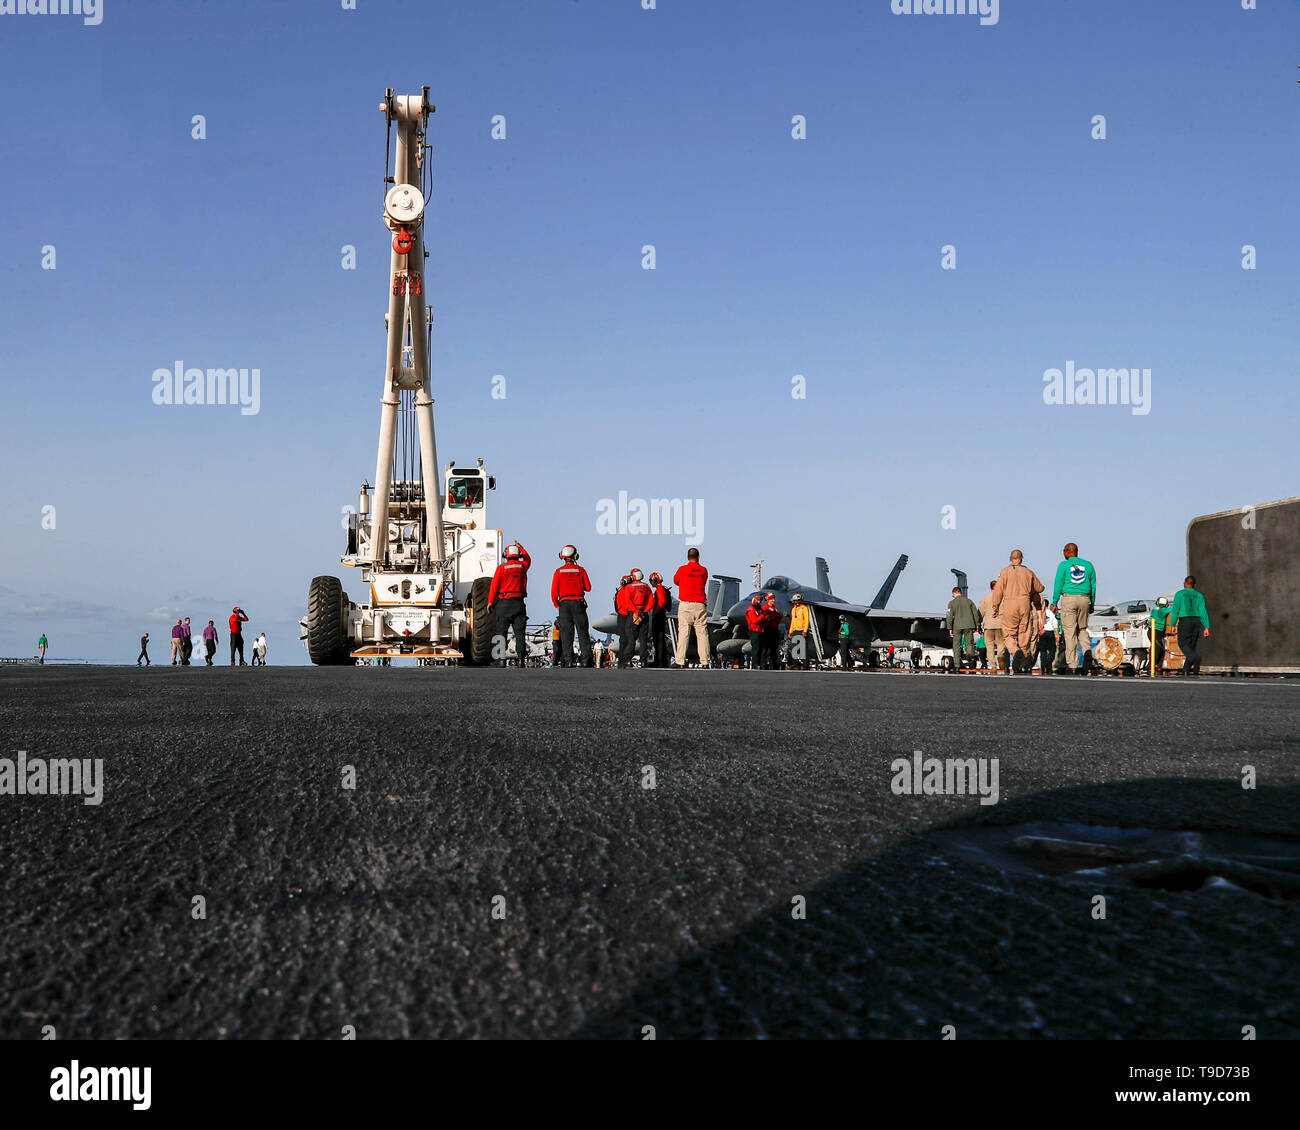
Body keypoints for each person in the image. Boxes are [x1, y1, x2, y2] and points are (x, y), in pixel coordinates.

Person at [991, 550, 1046, 673]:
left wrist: (995, 607)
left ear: (1011, 559)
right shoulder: (1028, 572)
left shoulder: (1004, 572)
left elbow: (998, 592)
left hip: (1010, 603)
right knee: (1024, 632)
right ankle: (1024, 662)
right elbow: (1040, 588)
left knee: (1008, 633)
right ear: (1022, 558)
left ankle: (1016, 652)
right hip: (1024, 603)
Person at [1050, 543, 1096, 675]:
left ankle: (1073, 664)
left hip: (1069, 599)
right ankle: (1087, 652)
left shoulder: (1063, 565)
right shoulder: (1088, 565)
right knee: (1082, 629)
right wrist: (1092, 602)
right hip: (1084, 598)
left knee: (1069, 633)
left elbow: (1058, 584)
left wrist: (1054, 602)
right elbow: (1093, 585)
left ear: (1067, 552)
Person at [488, 541, 531, 668]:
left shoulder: (501, 568)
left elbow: (494, 586)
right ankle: (521, 660)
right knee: (520, 634)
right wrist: (521, 548)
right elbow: (528, 558)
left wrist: (490, 602)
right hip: (519, 604)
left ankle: (500, 660)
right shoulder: (523, 566)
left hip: (504, 604)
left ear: (506, 555)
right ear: (517, 555)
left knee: (501, 632)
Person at [551, 545, 593, 667]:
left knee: (566, 634)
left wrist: (556, 604)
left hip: (564, 605)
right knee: (583, 633)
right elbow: (588, 588)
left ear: (562, 556)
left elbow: (554, 591)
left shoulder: (558, 572)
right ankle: (586, 661)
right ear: (575, 556)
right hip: (578, 604)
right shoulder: (581, 570)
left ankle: (568, 661)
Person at [673, 548, 712, 667]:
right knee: (702, 633)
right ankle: (705, 661)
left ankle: (680, 661)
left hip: (686, 604)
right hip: (700, 604)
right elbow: (704, 581)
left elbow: (676, 581)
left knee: (684, 633)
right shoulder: (703, 570)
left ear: (688, 557)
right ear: (698, 557)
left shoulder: (682, 569)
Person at [1169, 576, 1211, 677]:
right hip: (1196, 621)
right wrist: (1206, 627)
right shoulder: (1199, 595)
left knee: (1182, 643)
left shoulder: (1180, 594)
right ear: (1194, 584)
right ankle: (1186, 670)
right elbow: (1203, 611)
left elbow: (1175, 610)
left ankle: (1194, 658)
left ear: (1185, 583)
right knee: (1192, 645)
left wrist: (1173, 624)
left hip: (1185, 620)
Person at [621, 570, 653, 667]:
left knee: (631, 638)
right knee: (643, 639)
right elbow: (651, 600)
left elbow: (628, 602)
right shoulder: (647, 586)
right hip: (644, 614)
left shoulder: (629, 587)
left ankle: (627, 659)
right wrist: (644, 611)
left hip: (633, 615)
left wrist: (636, 611)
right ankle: (643, 660)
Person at [946, 586, 980, 671]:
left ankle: (957, 666)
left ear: (954, 593)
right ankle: (970, 658)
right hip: (969, 625)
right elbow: (975, 613)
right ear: (961, 592)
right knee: (969, 643)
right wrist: (977, 624)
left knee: (956, 645)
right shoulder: (969, 601)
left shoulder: (952, 603)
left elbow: (949, 616)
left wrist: (950, 628)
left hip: (957, 626)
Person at [977, 582, 1006, 672]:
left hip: (988, 626)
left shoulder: (985, 599)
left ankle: (993, 665)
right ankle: (1000, 656)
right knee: (1001, 644)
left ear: (990, 588)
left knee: (989, 647)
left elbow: (980, 613)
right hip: (1000, 625)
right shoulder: (1004, 598)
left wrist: (979, 624)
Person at [648, 572, 671, 667]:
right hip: (661, 615)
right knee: (659, 638)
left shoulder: (659, 590)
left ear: (655, 580)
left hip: (658, 615)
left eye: (651, 581)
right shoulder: (663, 589)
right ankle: (661, 660)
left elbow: (661, 602)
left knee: (658, 639)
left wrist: (656, 611)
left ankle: (660, 661)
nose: (650, 583)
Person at [787, 593, 812, 670]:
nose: (797, 602)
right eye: (795, 601)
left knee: (803, 649)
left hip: (802, 631)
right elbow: (793, 621)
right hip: (795, 631)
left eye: (798, 601)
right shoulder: (793, 609)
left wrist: (805, 630)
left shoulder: (804, 608)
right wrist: (790, 631)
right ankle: (796, 665)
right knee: (794, 649)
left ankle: (805, 665)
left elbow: (807, 619)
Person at [1149, 596, 1171, 676]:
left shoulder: (1156, 609)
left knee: (1161, 651)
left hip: (1158, 632)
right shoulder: (1160, 610)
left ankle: (1158, 668)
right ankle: (1149, 667)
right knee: (1157, 650)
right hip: (1155, 632)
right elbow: (1169, 610)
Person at [760, 592, 782, 670]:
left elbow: (779, 617)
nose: (773, 600)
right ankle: (763, 664)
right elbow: (763, 619)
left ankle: (774, 665)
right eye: (771, 599)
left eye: (773, 599)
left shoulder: (774, 608)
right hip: (767, 629)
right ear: (768, 600)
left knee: (774, 648)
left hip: (774, 629)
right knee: (766, 648)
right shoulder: (765, 608)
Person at [1035, 604, 1058, 674]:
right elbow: (1055, 623)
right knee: (1052, 649)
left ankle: (1043, 667)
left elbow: (1036, 623)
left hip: (1042, 632)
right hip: (1050, 632)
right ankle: (1049, 661)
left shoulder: (1039, 613)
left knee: (1043, 651)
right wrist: (1057, 634)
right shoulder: (1050, 613)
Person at [745, 595, 765, 668]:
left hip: (760, 631)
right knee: (756, 649)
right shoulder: (751, 610)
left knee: (761, 648)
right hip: (754, 631)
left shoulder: (759, 610)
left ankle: (760, 663)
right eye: (759, 601)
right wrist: (763, 615)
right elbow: (755, 620)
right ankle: (755, 664)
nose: (761, 603)